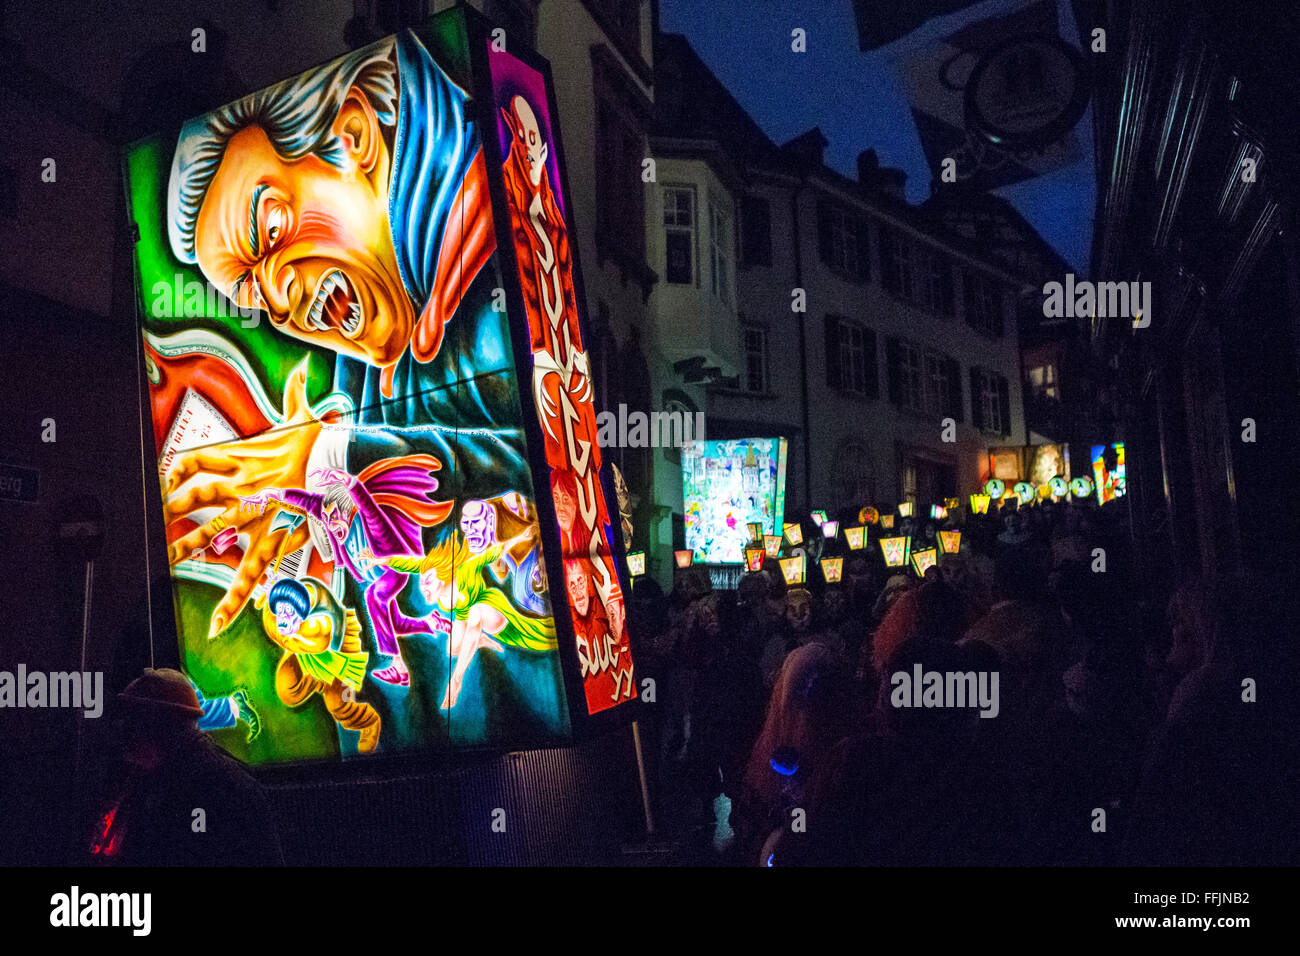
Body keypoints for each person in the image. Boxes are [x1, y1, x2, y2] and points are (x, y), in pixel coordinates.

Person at [89, 668, 283, 866]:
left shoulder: (220, 787)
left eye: (132, 719)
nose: (122, 730)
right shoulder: (151, 777)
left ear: (157, 724)